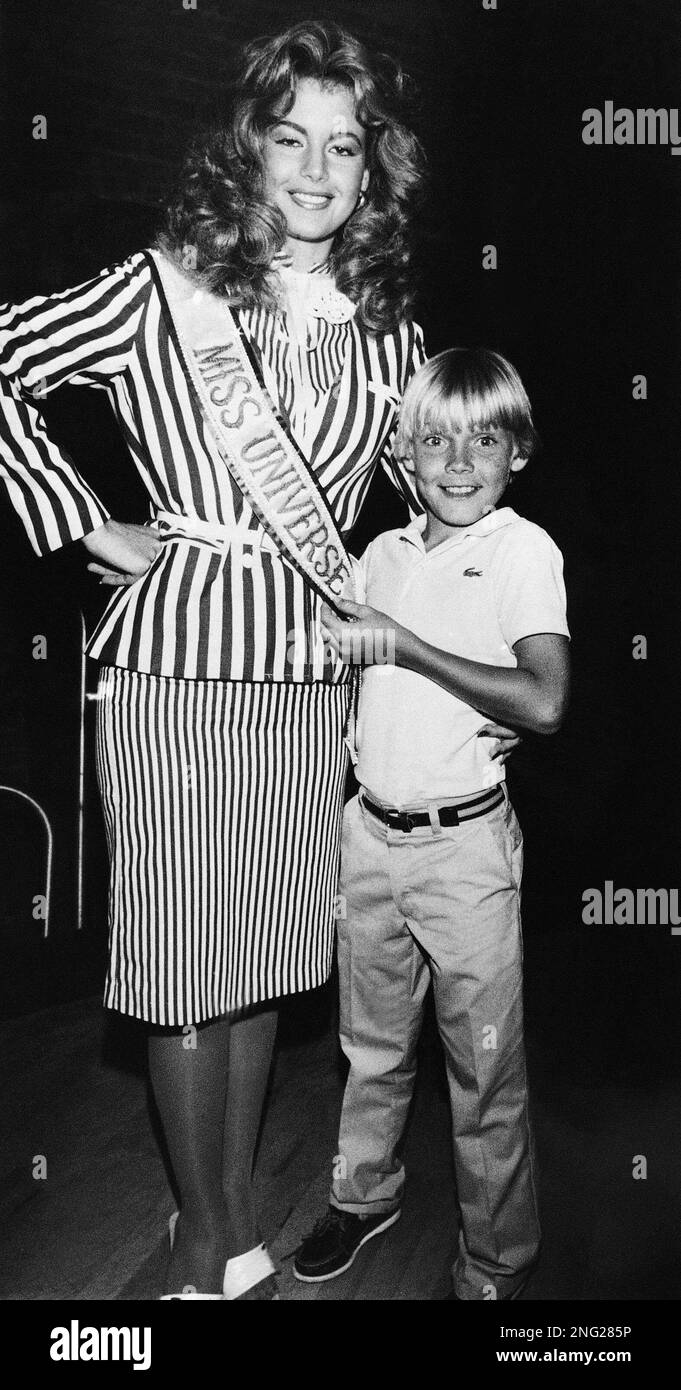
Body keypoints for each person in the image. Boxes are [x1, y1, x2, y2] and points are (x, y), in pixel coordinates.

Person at [0, 23, 517, 1300]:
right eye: (291, 136)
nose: (317, 168)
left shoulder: (388, 332)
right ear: (248, 146)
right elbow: (5, 361)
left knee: (252, 967)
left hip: (303, 678)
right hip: (174, 667)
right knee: (184, 964)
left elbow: (440, 503)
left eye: (346, 144)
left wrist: (482, 654)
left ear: (372, 169)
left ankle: (233, 1233)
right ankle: (198, 1237)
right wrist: (82, 521)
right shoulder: (158, 288)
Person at [293, 348, 571, 1301]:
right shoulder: (378, 555)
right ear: (404, 454)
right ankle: (363, 1196)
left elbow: (543, 702)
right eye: (435, 440)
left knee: (482, 1073)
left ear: (516, 452)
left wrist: (406, 645)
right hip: (366, 836)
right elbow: (352, 696)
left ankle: (495, 1263)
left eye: (483, 439)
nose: (458, 461)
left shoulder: (522, 550)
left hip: (465, 853)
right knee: (368, 1049)